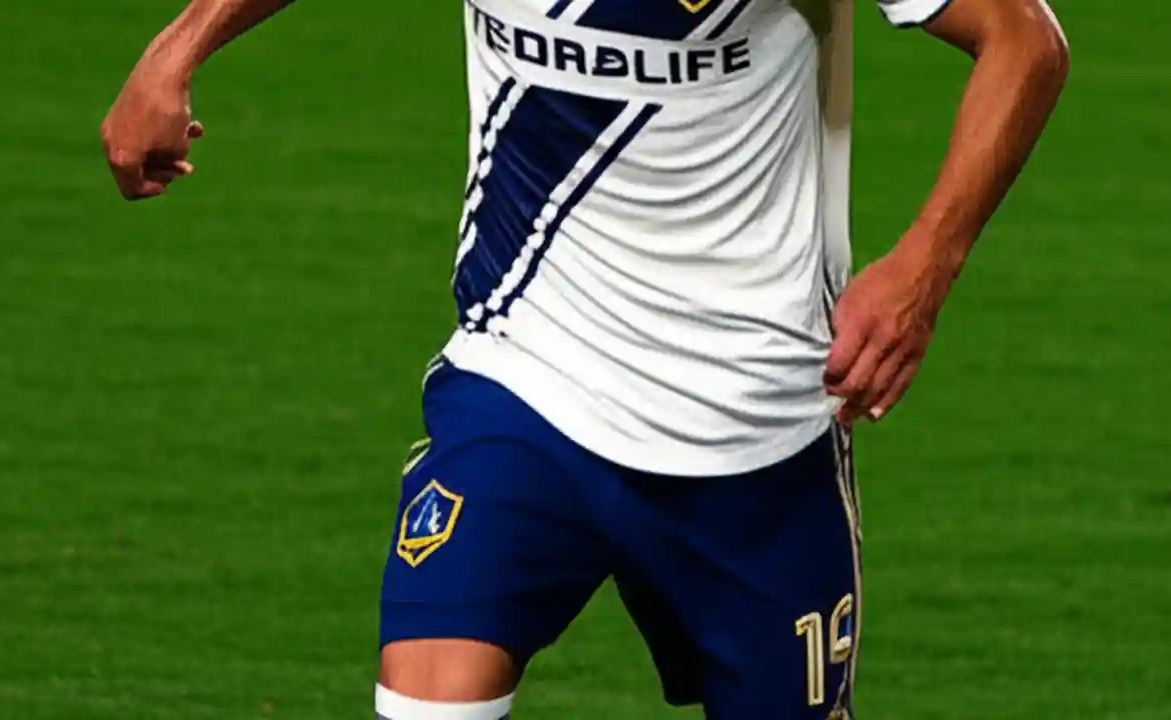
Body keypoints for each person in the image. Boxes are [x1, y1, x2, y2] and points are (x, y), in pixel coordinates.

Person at [101, 0, 1068, 717]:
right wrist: (174, 53)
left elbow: (1025, 41)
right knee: (430, 698)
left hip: (753, 431)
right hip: (526, 385)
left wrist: (923, 268)